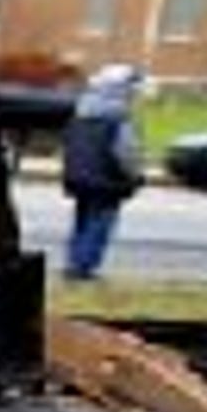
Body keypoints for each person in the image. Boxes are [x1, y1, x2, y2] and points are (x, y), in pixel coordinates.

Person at [60, 62, 146, 281]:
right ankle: (84, 268)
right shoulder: (119, 116)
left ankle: (73, 262)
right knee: (100, 223)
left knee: (82, 220)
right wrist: (135, 175)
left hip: (78, 176)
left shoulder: (81, 110)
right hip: (107, 179)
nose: (136, 92)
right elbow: (126, 153)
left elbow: (68, 143)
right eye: (133, 87)